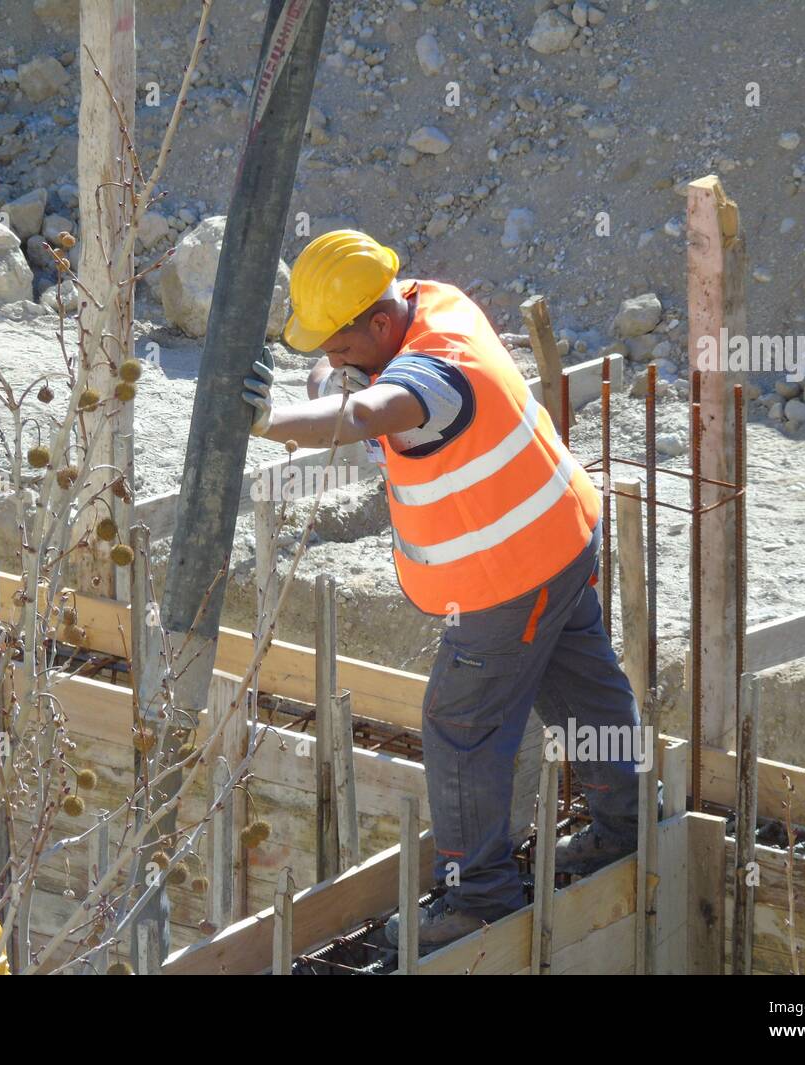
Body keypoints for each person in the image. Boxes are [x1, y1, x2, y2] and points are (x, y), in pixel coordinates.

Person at [241, 230, 646, 953]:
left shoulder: (431, 380)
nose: (330, 358)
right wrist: (334, 384)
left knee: (460, 726)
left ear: (377, 322)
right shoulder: (435, 304)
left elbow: (368, 415)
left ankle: (478, 897)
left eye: (336, 344)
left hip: (509, 580)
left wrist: (272, 422)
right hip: (562, 536)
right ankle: (627, 828)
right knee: (580, 687)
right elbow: (366, 394)